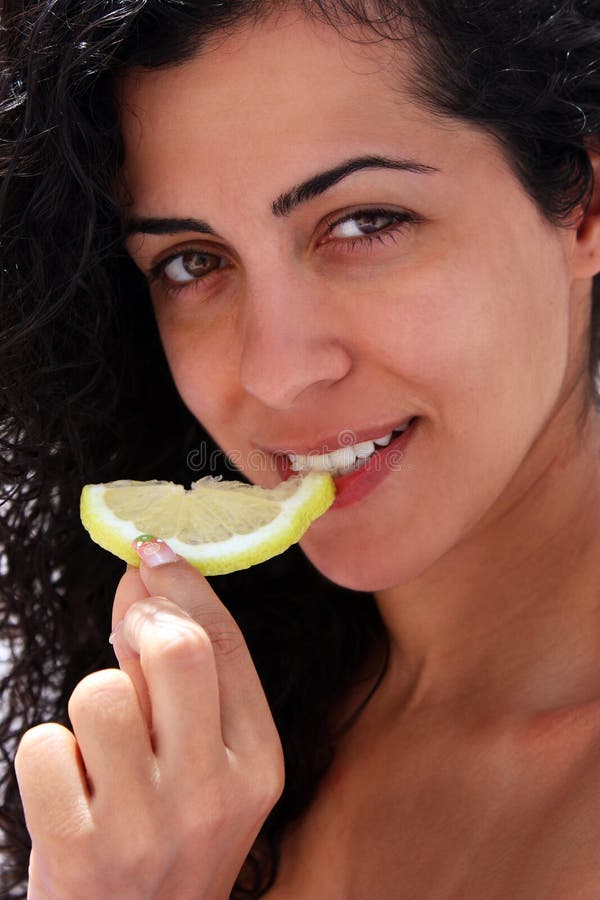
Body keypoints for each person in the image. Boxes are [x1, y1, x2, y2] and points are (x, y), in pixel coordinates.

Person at [1, 0, 600, 896]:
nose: (274, 374)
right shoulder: (196, 754)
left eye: (364, 224)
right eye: (193, 263)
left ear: (586, 208)